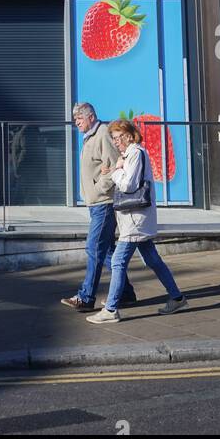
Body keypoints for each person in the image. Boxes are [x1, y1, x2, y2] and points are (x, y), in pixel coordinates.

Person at [87, 117, 187, 323]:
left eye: (117, 137)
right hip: (136, 219)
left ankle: (111, 309)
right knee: (153, 260)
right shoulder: (131, 154)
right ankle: (177, 298)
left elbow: (129, 185)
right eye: (113, 138)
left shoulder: (135, 153)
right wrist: (118, 168)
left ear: (128, 135)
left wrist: (115, 171)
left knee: (117, 261)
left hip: (135, 220)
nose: (115, 142)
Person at [61, 103, 136, 312]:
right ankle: (126, 293)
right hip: (96, 203)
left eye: (79, 119)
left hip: (104, 203)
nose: (76, 123)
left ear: (91, 117)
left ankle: (86, 297)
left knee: (93, 247)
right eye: (75, 120)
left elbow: (114, 165)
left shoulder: (103, 134)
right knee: (109, 251)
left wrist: (98, 188)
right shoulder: (90, 136)